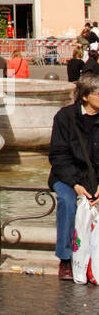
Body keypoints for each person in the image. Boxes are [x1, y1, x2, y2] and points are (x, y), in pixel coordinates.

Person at [48, 72, 99, 281]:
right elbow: (58, 155)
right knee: (67, 201)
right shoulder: (65, 117)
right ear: (85, 96)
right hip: (68, 176)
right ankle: (65, 258)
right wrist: (75, 183)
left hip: (95, 178)